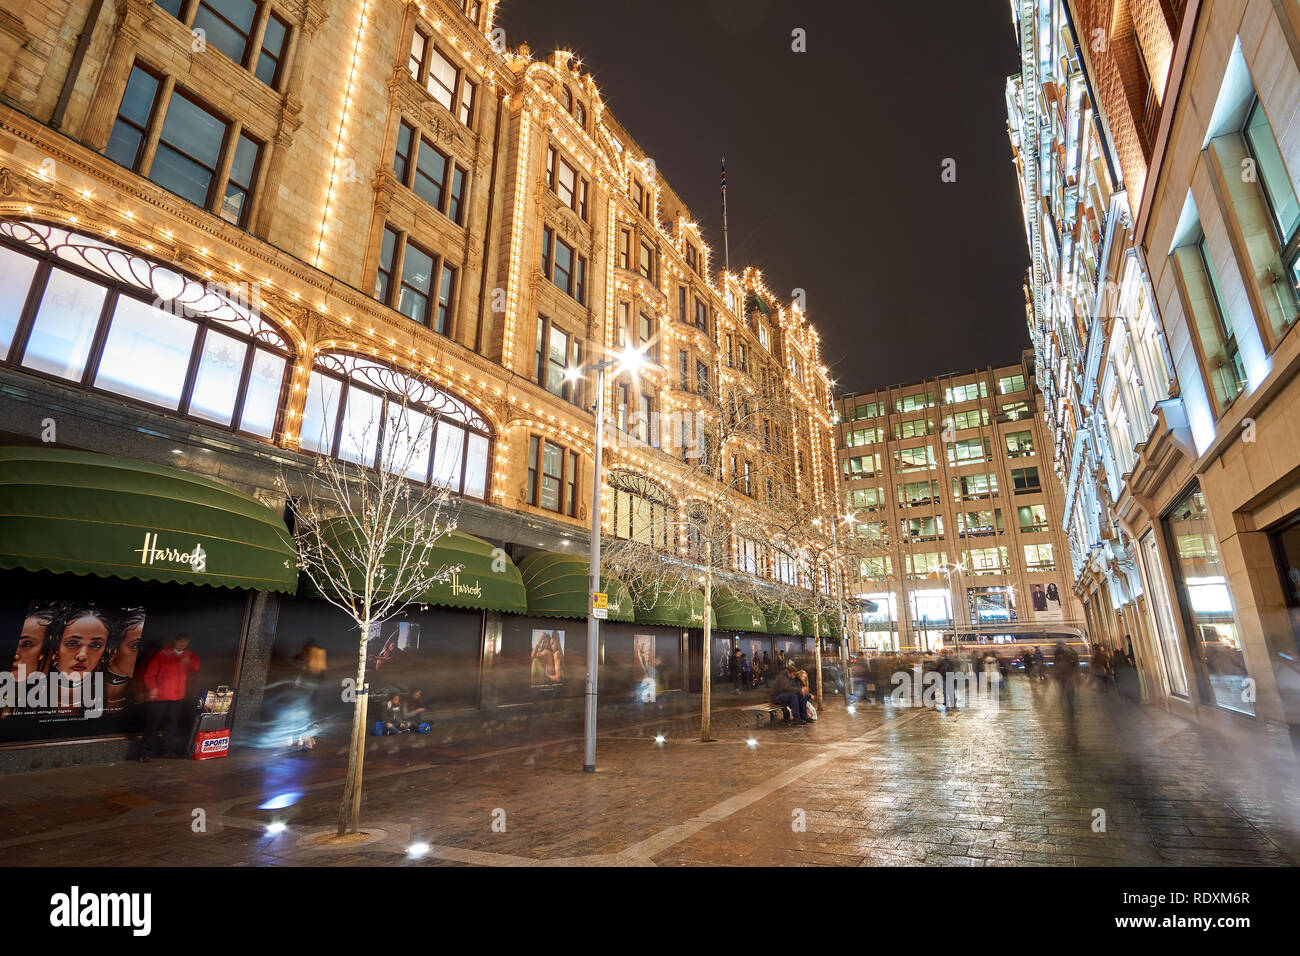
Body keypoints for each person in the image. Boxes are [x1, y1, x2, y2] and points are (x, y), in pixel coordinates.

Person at [139, 633, 201, 761]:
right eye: (180, 642)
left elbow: (195, 668)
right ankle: (145, 753)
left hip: (177, 696)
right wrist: (153, 688)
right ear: (174, 641)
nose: (182, 645)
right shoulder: (163, 654)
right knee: (152, 725)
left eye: (185, 643)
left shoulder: (188, 655)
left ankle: (168, 750)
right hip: (160, 696)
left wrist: (188, 661)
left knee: (172, 725)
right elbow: (150, 674)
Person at [1052, 640, 1080, 716]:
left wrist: (1056, 674)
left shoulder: (1059, 654)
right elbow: (1076, 663)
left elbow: (1055, 664)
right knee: (1068, 689)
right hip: (1068, 674)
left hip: (1065, 674)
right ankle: (1069, 704)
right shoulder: (1070, 653)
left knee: (1064, 689)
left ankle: (1066, 703)